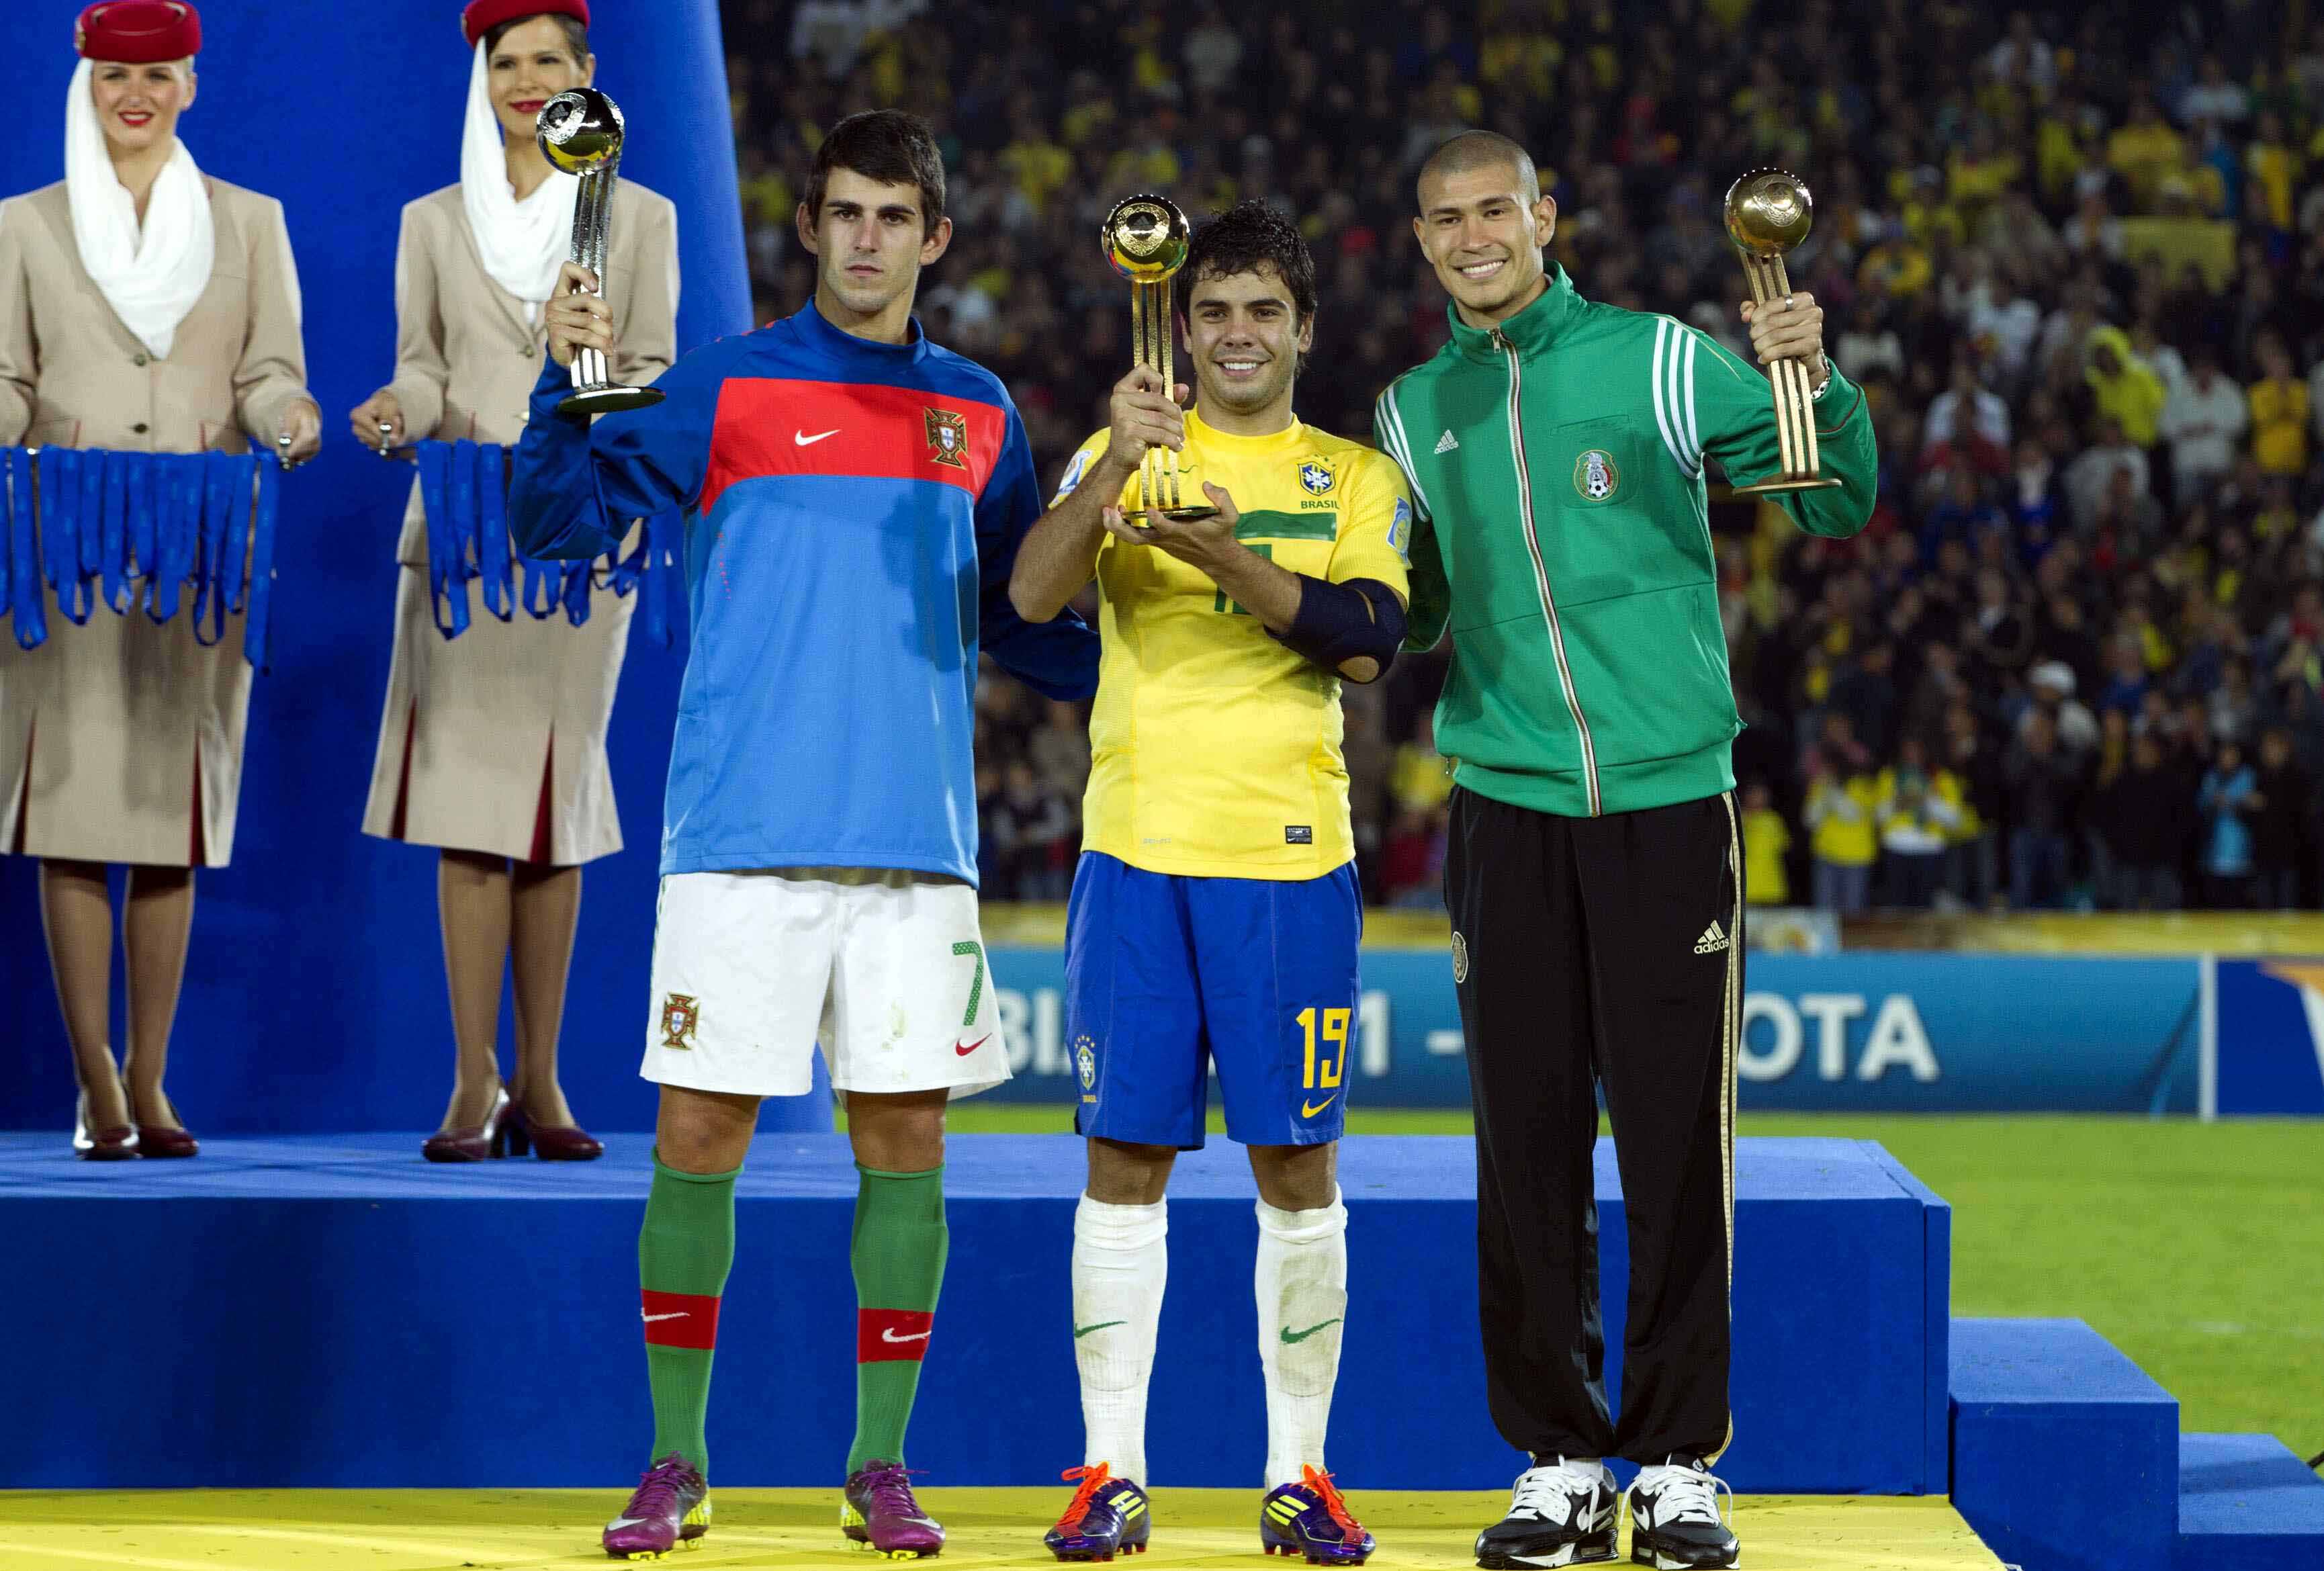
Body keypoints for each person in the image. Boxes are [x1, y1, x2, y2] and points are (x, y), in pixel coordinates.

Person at [505, 110, 1097, 1560]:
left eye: (892, 217)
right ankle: (675, 1460)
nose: (864, 239)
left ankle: (878, 1468)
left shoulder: (982, 414)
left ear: (934, 237)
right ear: (810, 228)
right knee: (698, 1139)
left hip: (915, 848)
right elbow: (552, 526)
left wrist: (1168, 656)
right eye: (841, 213)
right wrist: (556, 382)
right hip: (738, 832)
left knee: (904, 1150)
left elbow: (1019, 619)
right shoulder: (723, 390)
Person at [1373, 131, 1874, 1571]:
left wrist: (1808, 376)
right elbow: (1402, 614)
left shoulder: (1658, 361)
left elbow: (1827, 497)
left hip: (1666, 801)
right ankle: (1553, 1458)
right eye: (1444, 219)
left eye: (1495, 211)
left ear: (1546, 218)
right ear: (1418, 241)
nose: (1473, 237)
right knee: (1520, 1143)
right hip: (1504, 805)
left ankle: (1671, 1460)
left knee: (1671, 1144)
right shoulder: (1410, 414)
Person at [1009, 199, 1410, 1566]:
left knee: (1295, 1165)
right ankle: (1109, 1475)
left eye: (1262, 313)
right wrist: (1109, 475)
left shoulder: (1352, 476)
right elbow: (1028, 596)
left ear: (1303, 329)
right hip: (1132, 853)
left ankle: (1296, 1476)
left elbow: (1364, 643)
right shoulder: (1121, 452)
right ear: (1178, 328)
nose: (1237, 335)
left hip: (1288, 863)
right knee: (1121, 1161)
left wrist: (1223, 558)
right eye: (1215, 312)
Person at [348, 0, 678, 1164]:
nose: (528, 79)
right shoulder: (433, 222)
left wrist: (582, 368)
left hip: (580, 537)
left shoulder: (639, 220)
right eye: (508, 62)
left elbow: (654, 377)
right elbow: (427, 371)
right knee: (470, 814)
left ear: (588, 76)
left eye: (550, 60)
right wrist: (398, 413)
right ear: (482, 80)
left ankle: (542, 1078)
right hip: (463, 533)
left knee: (555, 807)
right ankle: (472, 1078)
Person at [0, 1, 319, 1160]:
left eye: (158, 75)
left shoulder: (249, 223)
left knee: (172, 823)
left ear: (190, 85)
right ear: (84, 85)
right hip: (66, 554)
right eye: (114, 75)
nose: (135, 94)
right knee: (73, 818)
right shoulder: (23, 228)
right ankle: (94, 1080)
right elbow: (8, 378)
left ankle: (152, 1074)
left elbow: (269, 370)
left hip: (196, 552)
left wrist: (289, 415)